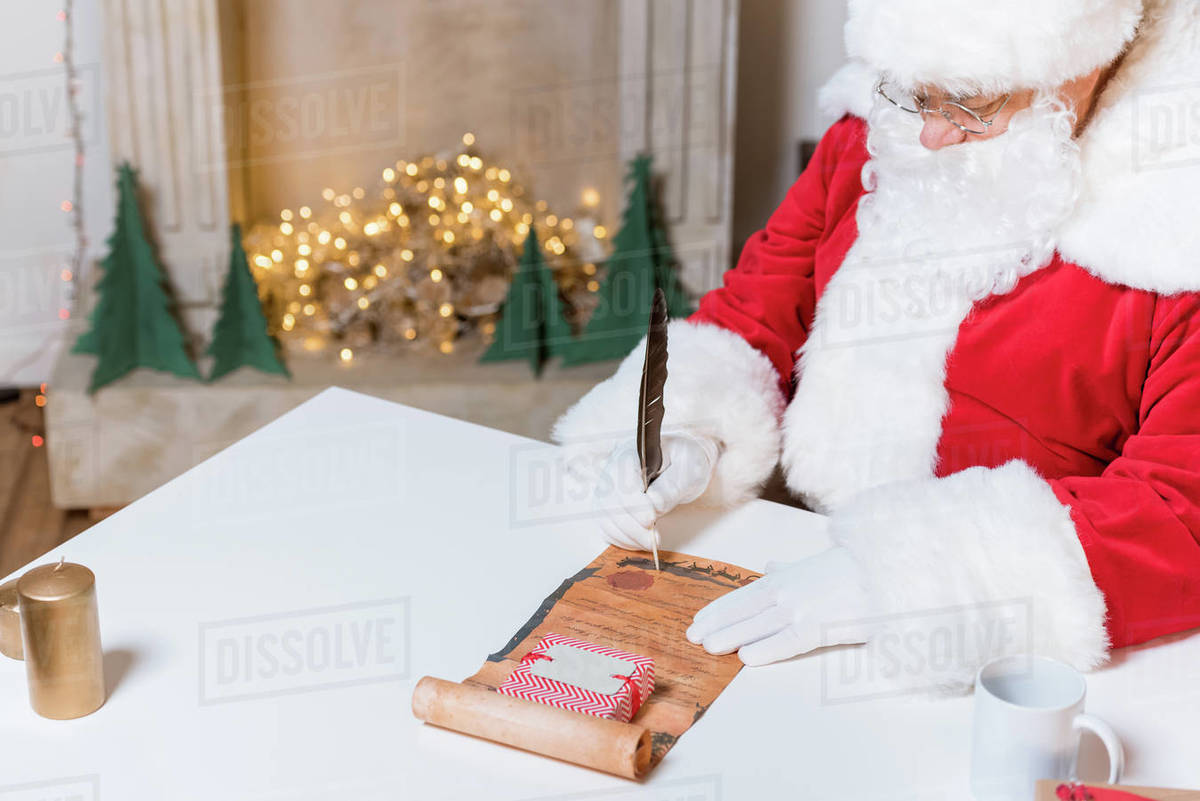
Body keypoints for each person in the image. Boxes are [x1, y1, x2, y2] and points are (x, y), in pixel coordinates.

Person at [552, 0, 1200, 691]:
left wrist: (914, 578)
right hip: (786, 578)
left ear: (1079, 68)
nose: (927, 136)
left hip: (1007, 674)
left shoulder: (1172, 230)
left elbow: (1177, 510)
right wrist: (690, 431)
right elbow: (755, 311)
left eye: (969, 102)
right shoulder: (879, 124)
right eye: (915, 94)